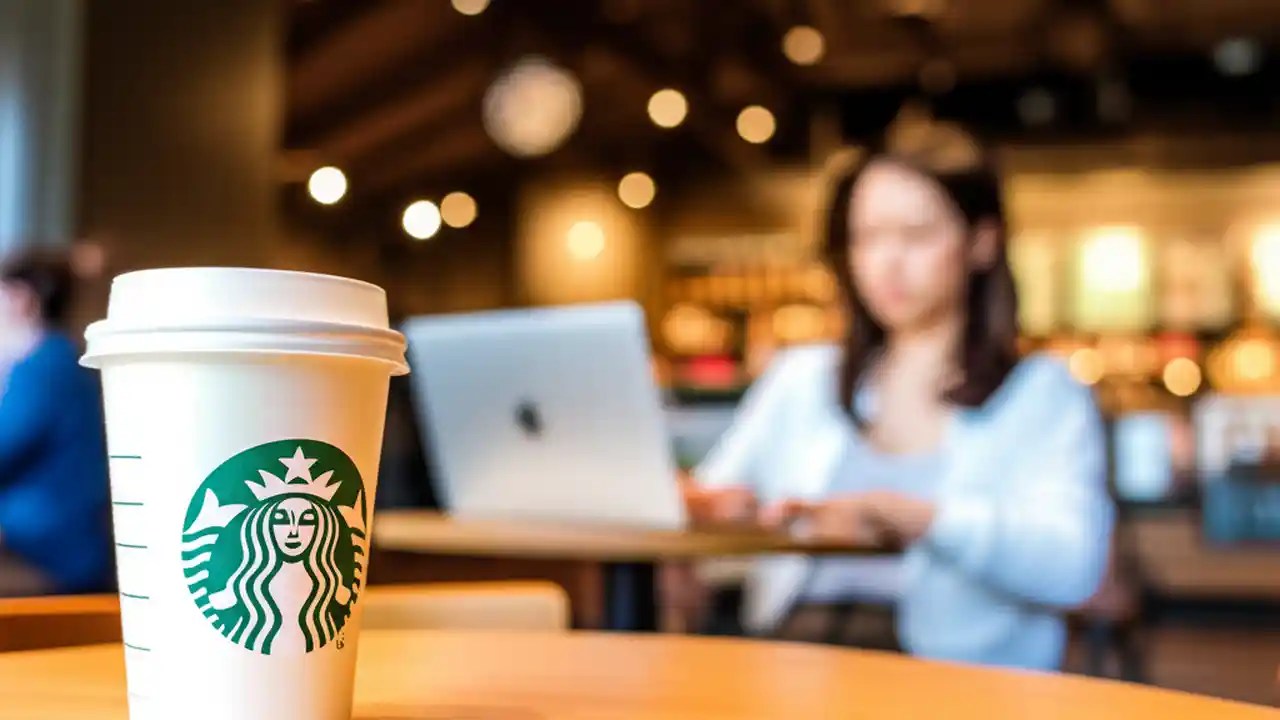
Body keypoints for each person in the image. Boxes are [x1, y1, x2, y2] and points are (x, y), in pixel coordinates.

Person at [686, 124, 1114, 670]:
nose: (887, 261)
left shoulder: (1040, 394)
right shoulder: (804, 378)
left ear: (982, 242)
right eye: (866, 237)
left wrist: (916, 519)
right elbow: (713, 502)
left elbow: (1074, 570)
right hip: (796, 659)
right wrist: (722, 509)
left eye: (915, 235)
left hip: (960, 680)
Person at [0, 249, 111, 595]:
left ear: (22, 299)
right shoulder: (62, 356)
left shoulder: (44, 366)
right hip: (64, 542)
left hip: (48, 551)